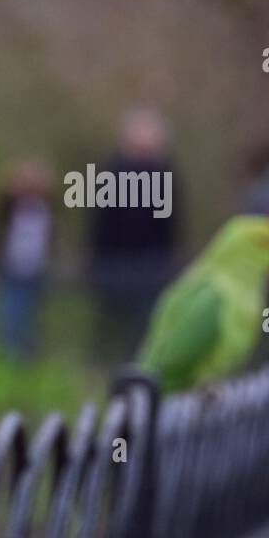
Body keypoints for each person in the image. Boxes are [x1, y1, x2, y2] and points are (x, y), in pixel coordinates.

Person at [88, 107, 183, 358]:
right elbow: (102, 220)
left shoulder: (165, 174)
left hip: (150, 264)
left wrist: (165, 258)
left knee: (144, 325)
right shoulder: (112, 171)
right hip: (115, 261)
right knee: (111, 323)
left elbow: (170, 223)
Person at [0, 160, 53, 359]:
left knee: (32, 314)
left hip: (36, 268)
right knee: (12, 311)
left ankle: (27, 354)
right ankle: (9, 352)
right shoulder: (8, 207)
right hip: (12, 267)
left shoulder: (45, 208)